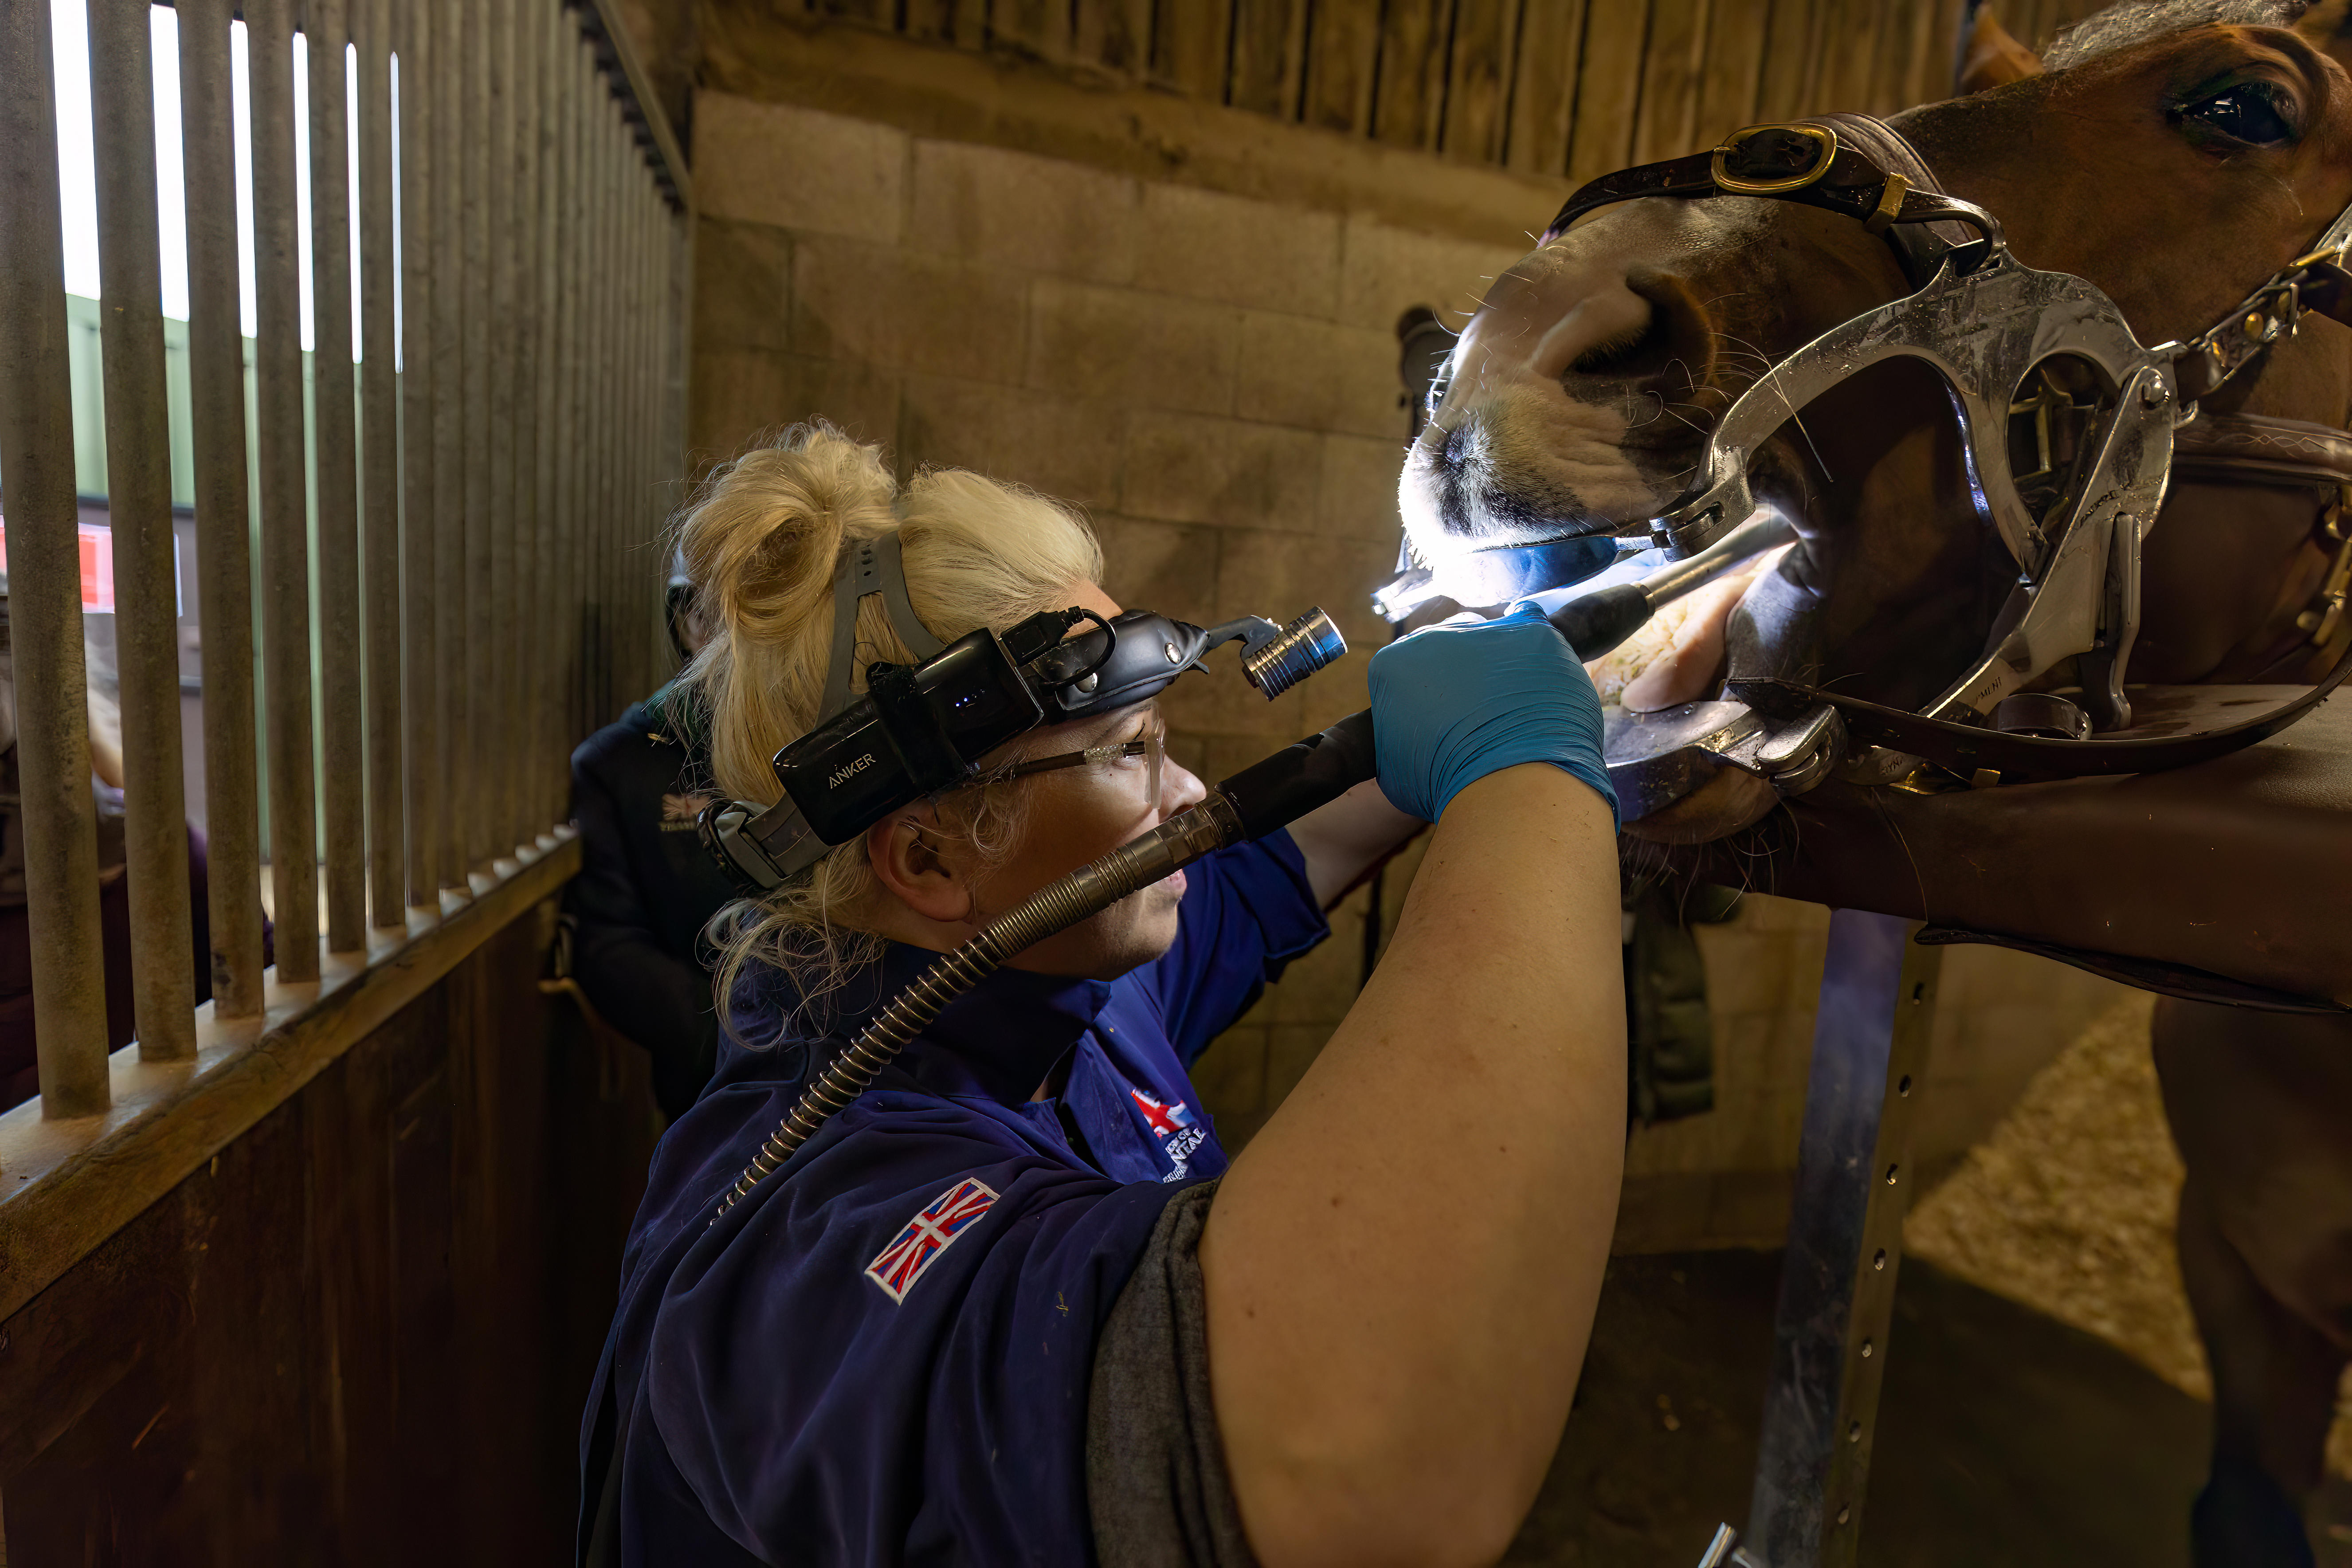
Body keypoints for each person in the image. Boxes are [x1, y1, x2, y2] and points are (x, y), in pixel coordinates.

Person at [580, 423, 1625, 1566]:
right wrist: (1528, 783)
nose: (1186, 792)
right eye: (1128, 748)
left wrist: (1586, 671)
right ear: (928, 859)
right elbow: (1341, 1474)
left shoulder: (1064, 987)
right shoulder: (802, 1240)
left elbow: (1272, 867)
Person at [564, 553, 741, 1121]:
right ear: (694, 623)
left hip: (873, 1073)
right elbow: (608, 943)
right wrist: (735, 1040)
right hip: (710, 1094)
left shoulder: (844, 746)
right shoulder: (619, 765)